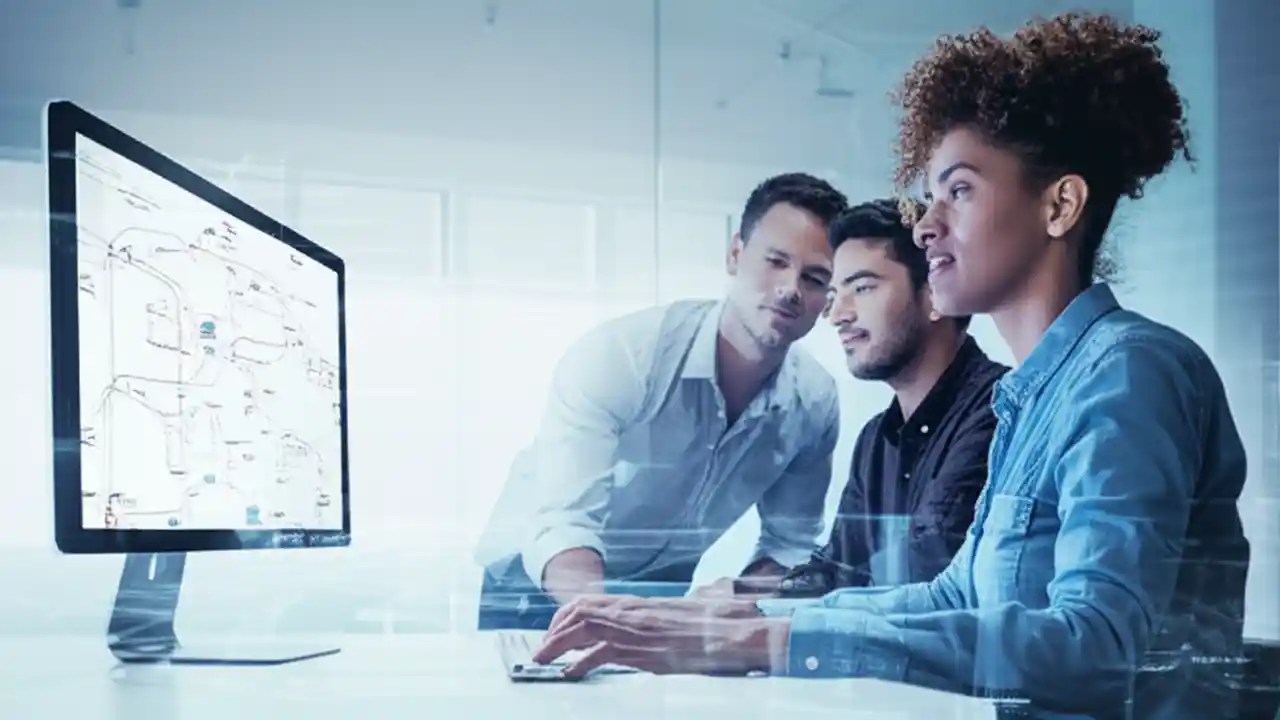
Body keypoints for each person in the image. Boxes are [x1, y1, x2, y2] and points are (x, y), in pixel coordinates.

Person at [532, 13, 1250, 719]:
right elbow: (953, 596)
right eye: (930, 196)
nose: (927, 224)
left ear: (1060, 205)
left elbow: (1097, 646)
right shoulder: (1029, 402)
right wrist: (722, 624)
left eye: (959, 191)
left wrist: (759, 637)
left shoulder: (1130, 373)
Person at [473, 172, 847, 630]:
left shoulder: (815, 401)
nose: (791, 288)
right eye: (775, 261)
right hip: (538, 583)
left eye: (814, 278)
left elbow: (790, 542)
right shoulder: (624, 355)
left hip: (664, 595)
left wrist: (733, 602)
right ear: (735, 255)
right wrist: (610, 621)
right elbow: (565, 523)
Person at [709, 198, 1006, 599]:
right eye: (834, 295)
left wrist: (756, 608)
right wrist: (738, 595)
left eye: (862, 288)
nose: (838, 315)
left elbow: (925, 571)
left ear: (935, 293)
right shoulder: (876, 441)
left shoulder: (1000, 412)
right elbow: (837, 569)